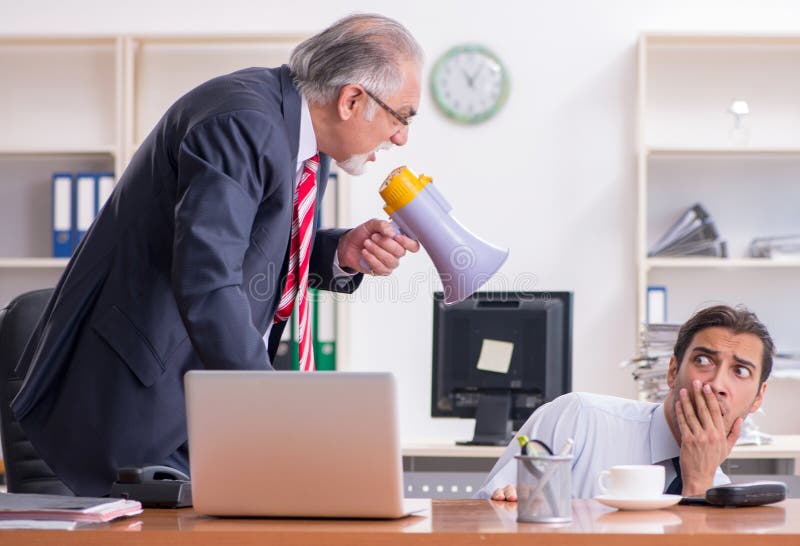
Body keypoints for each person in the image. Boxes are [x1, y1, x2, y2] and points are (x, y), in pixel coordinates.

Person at [11, 14, 424, 496]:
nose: (401, 137)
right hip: (140, 401)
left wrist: (337, 252)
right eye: (403, 116)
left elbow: (250, 246)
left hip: (195, 393)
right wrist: (274, 407)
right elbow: (207, 277)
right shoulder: (244, 122)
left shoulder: (299, 137)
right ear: (352, 99)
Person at [477, 304, 773, 500]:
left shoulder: (718, 493)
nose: (717, 384)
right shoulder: (578, 418)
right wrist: (508, 509)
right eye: (704, 360)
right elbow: (482, 520)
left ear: (758, 397)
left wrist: (697, 484)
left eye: (740, 371)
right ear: (672, 372)